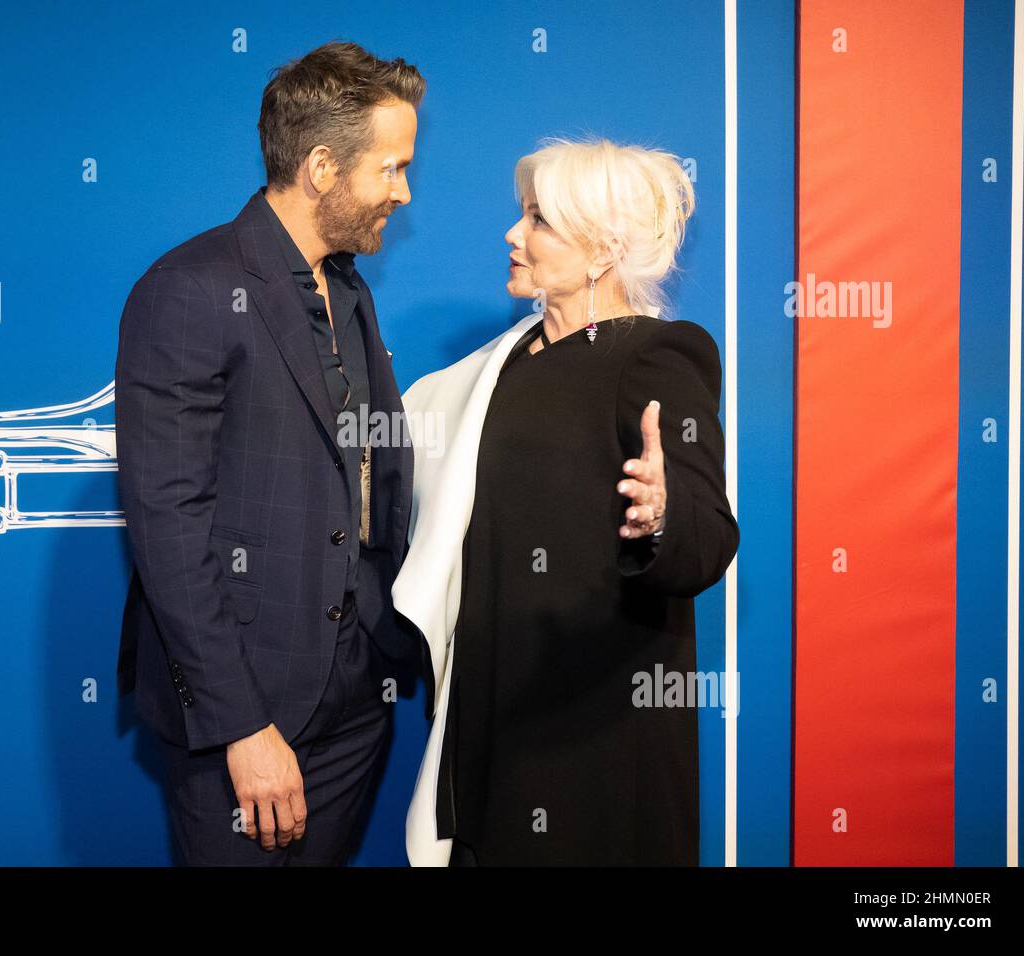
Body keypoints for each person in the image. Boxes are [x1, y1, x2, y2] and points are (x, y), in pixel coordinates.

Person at [114, 41, 424, 865]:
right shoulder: (190, 288)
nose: (403, 189)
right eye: (390, 168)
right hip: (246, 714)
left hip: (358, 699)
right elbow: (169, 528)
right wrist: (242, 727)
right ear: (323, 165)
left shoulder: (349, 289)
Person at [394, 136, 739, 866]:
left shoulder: (655, 355)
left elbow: (707, 536)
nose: (513, 235)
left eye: (539, 220)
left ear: (602, 250)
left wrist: (663, 516)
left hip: (595, 736)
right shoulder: (501, 366)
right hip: (487, 724)